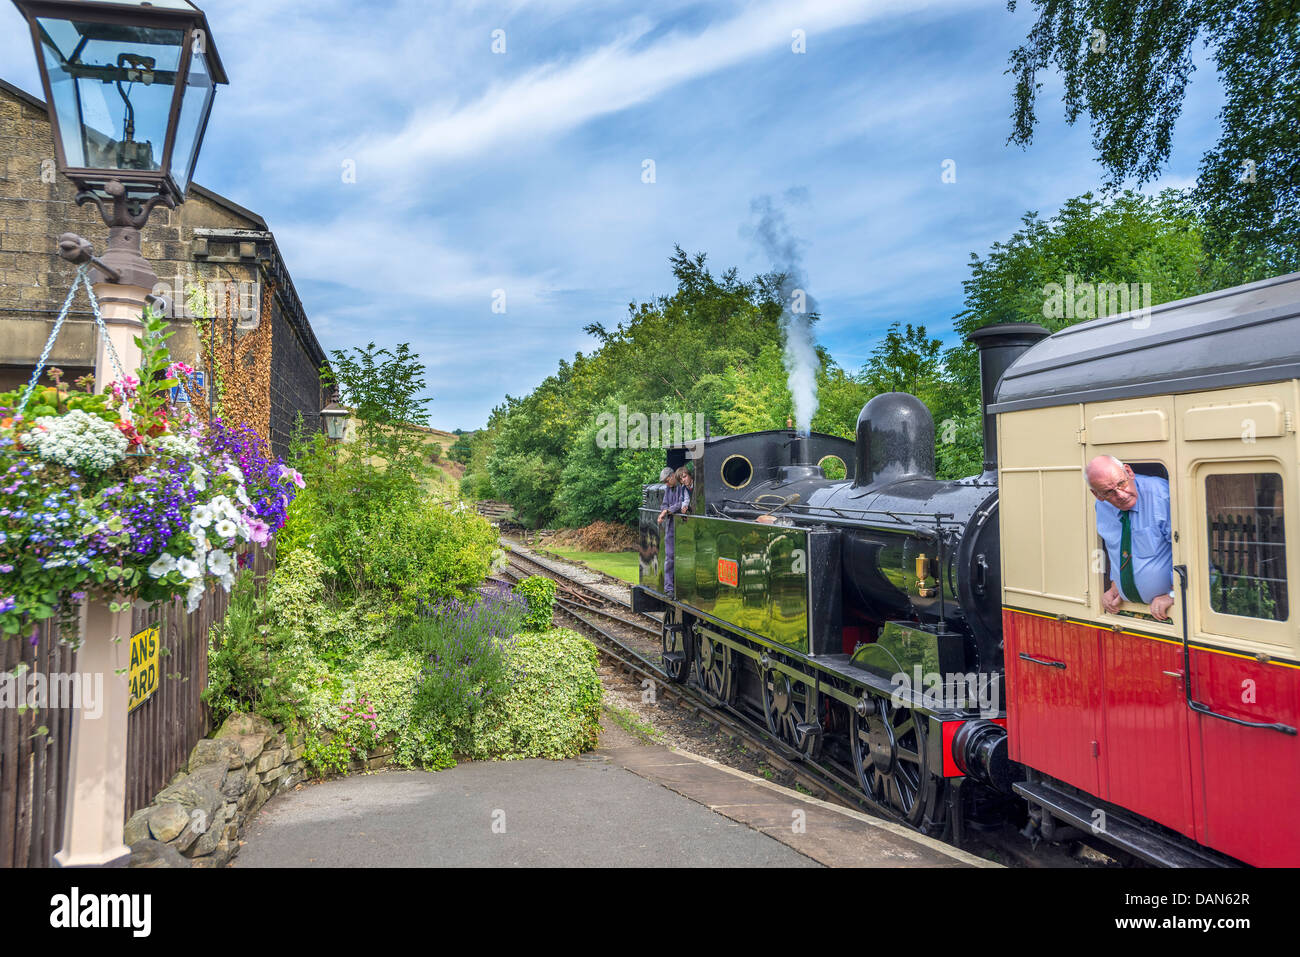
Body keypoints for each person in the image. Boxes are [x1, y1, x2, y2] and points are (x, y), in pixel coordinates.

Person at [1086, 454, 1175, 621]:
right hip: (1130, 613)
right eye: (1109, 492)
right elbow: (1118, 548)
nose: (1120, 495)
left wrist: (1173, 595)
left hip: (1171, 616)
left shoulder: (1162, 495)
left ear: (1129, 472)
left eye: (1121, 484)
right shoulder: (1102, 506)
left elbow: (1195, 554)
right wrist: (1115, 587)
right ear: (1097, 495)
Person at [657, 470, 681, 595]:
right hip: (671, 524)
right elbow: (664, 504)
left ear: (672, 476)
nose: (666, 484)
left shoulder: (681, 487)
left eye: (667, 480)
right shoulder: (668, 489)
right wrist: (664, 511)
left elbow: (681, 504)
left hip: (682, 525)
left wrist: (667, 511)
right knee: (669, 557)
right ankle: (669, 588)